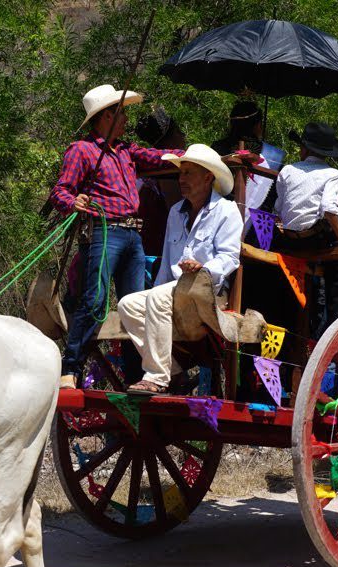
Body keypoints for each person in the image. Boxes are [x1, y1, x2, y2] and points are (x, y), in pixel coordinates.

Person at [51, 84, 179, 390]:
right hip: (104, 233)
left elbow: (158, 157)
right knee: (95, 301)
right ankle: (71, 369)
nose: (125, 119)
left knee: (135, 307)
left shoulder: (126, 150)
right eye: (121, 113)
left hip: (133, 235)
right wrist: (73, 202)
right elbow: (60, 191)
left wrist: (194, 156)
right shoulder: (82, 150)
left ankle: (137, 377)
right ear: (106, 116)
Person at [116, 145, 241, 394]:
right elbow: (167, 263)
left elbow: (230, 257)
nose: (181, 179)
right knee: (127, 305)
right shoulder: (176, 211)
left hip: (208, 292)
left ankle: (157, 377)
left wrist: (203, 268)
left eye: (188, 173)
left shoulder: (227, 210)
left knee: (158, 296)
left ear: (208, 177)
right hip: (174, 291)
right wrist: (156, 292)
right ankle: (172, 370)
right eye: (181, 173)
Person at [274, 122, 338, 337]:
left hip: (289, 238)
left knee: (334, 262)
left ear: (304, 149)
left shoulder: (287, 170)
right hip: (315, 239)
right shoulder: (332, 174)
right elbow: (329, 209)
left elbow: (279, 207)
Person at [133, 106, 187, 281]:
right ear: (170, 139)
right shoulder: (167, 175)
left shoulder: (147, 170)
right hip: (160, 253)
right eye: (179, 131)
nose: (183, 136)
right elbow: (177, 211)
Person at [211, 100, 284, 209]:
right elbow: (273, 198)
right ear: (258, 125)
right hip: (256, 218)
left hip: (216, 211)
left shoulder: (216, 148)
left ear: (231, 124)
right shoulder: (272, 156)